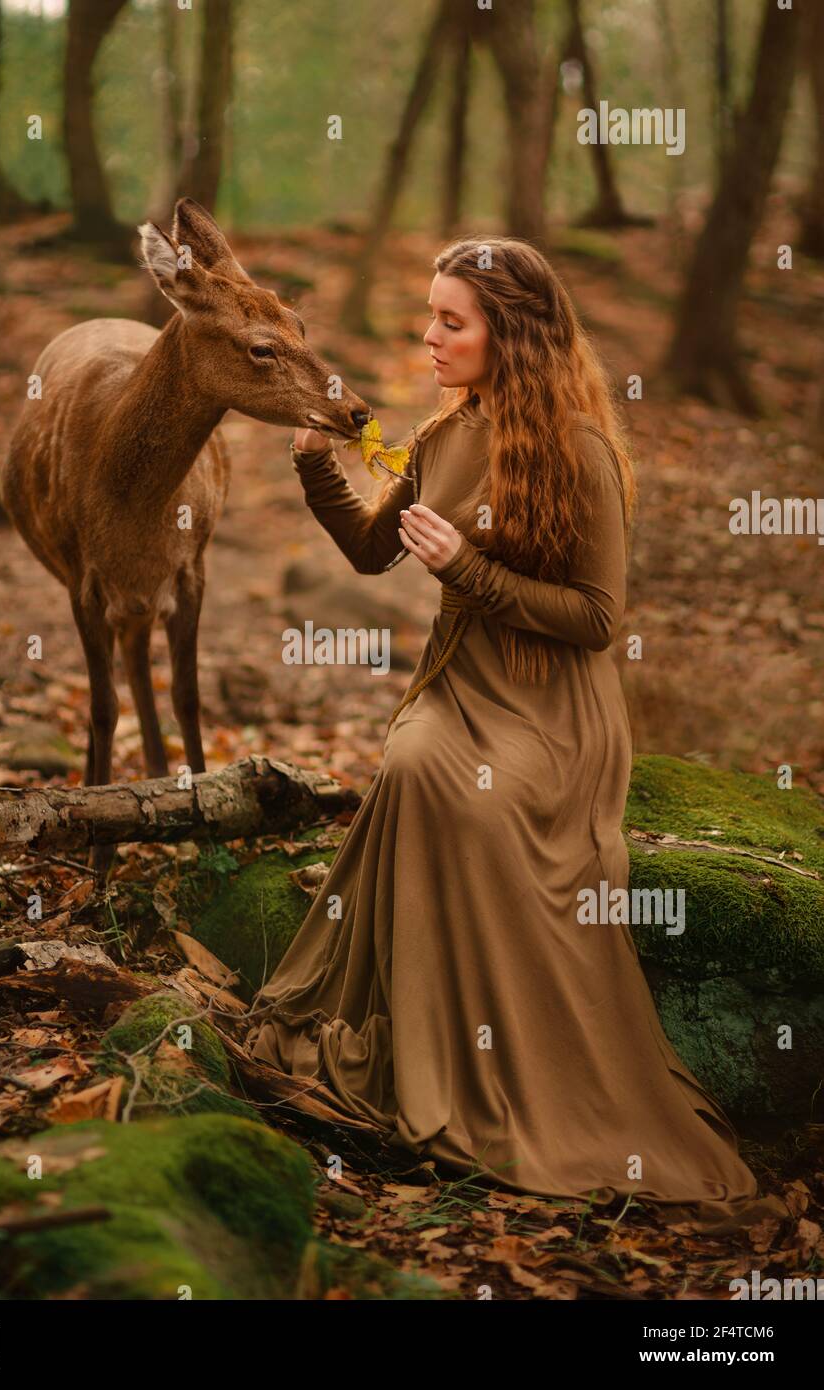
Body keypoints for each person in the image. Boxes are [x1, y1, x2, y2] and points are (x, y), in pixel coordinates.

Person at [243, 236, 785, 1233]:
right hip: (460, 688)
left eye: (452, 321)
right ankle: (417, 1044)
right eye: (432, 316)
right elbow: (370, 552)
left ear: (513, 335)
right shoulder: (448, 432)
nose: (429, 336)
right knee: (414, 763)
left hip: (553, 707)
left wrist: (468, 571)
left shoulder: (578, 450)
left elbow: (598, 618)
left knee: (475, 805)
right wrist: (318, 467)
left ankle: (516, 1077)